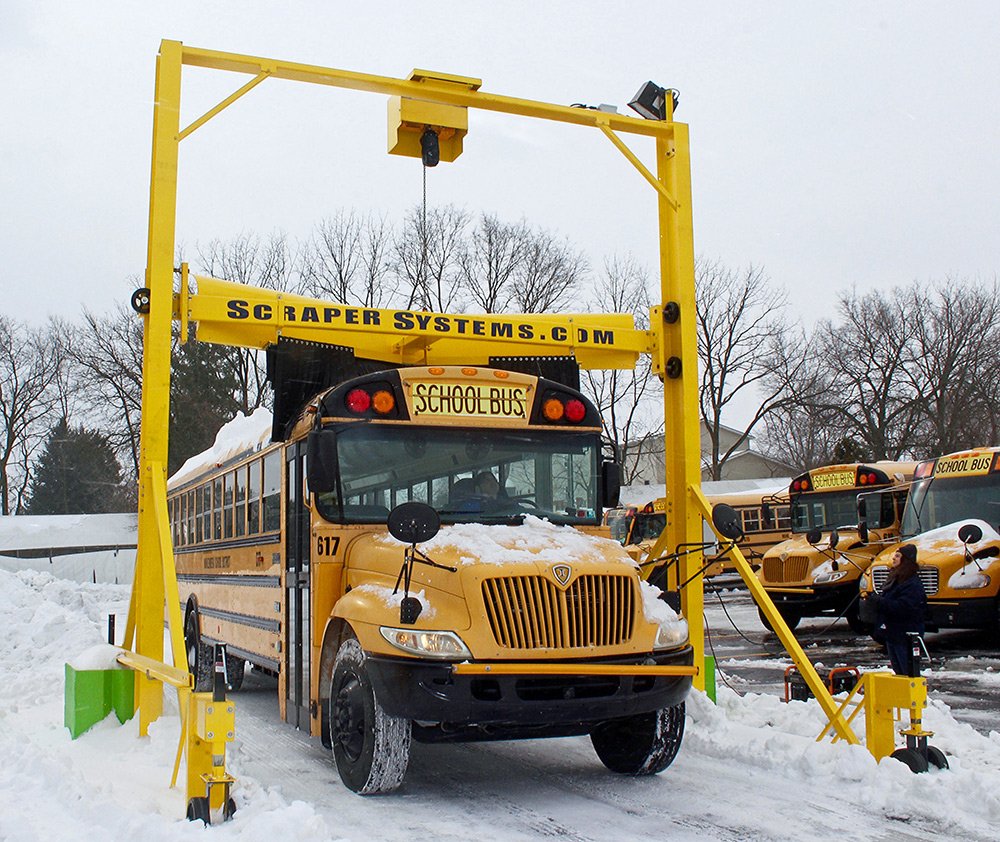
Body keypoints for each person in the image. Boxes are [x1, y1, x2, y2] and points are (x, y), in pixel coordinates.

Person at [869, 543, 927, 675]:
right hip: (893, 634)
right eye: (894, 555)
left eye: (898, 556)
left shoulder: (912, 584)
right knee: (898, 671)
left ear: (905, 560)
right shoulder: (896, 579)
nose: (894, 558)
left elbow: (904, 607)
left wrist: (881, 602)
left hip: (905, 635)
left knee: (907, 671)